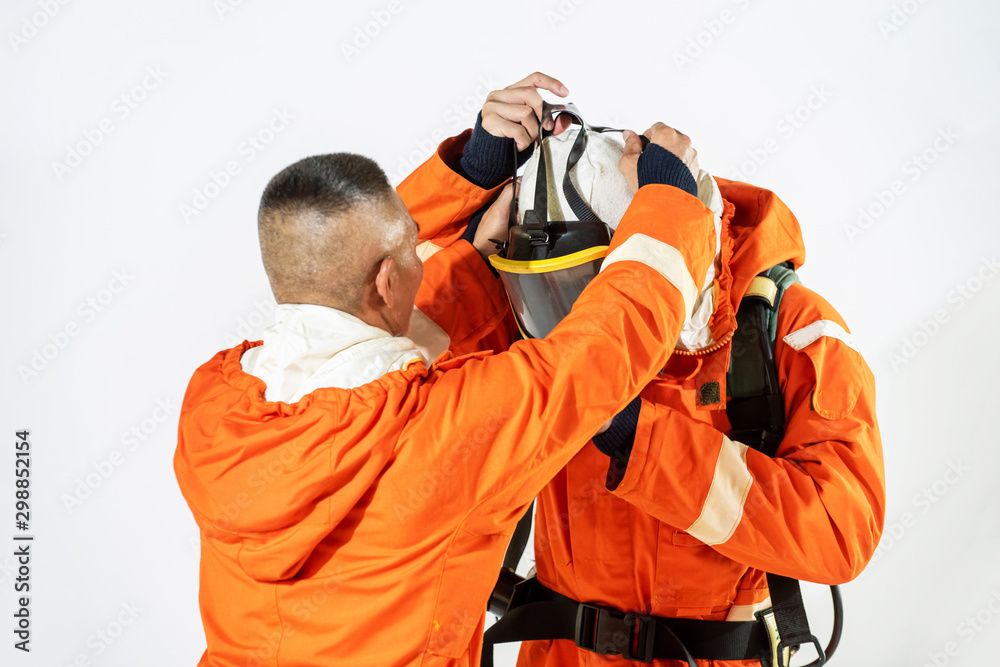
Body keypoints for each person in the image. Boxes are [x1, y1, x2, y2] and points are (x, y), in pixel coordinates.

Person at [172, 72, 719, 666]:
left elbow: (372, 328)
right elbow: (606, 350)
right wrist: (671, 203)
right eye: (414, 245)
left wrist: (477, 202)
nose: (424, 250)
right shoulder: (447, 429)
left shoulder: (212, 400)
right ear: (387, 279)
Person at [457, 105, 886, 665]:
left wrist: (642, 440)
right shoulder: (544, 310)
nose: (582, 320)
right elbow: (398, 393)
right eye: (551, 289)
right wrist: (469, 195)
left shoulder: (790, 328)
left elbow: (840, 531)